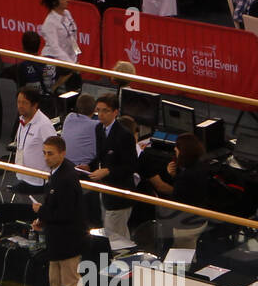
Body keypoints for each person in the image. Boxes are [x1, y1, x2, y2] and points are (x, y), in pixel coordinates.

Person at [34, 135, 93, 286]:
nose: (46, 157)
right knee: (55, 280)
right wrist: (43, 219)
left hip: (68, 240)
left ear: (62, 153)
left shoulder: (66, 178)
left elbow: (65, 214)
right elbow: (57, 209)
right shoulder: (57, 173)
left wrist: (41, 212)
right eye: (44, 153)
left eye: (50, 153)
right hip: (57, 238)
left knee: (70, 284)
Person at [88, 92, 139, 244]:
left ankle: (118, 262)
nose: (100, 114)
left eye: (105, 110)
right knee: (117, 232)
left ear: (115, 112)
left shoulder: (125, 135)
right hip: (105, 191)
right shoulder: (99, 129)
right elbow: (101, 156)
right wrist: (89, 165)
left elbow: (131, 166)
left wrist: (108, 170)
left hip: (119, 194)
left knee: (113, 235)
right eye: (98, 110)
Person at [149, 133, 214, 207]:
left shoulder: (185, 176)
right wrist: (174, 175)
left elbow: (178, 195)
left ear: (183, 151)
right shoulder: (201, 164)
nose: (174, 149)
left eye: (177, 146)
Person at [13, 87, 56, 191]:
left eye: (24, 103)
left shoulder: (44, 125)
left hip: (38, 182)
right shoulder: (22, 119)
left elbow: (55, 151)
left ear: (35, 105)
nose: (20, 106)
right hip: (21, 177)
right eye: (18, 102)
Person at [40, 0, 80, 69]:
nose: (67, 0)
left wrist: (76, 54)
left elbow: (72, 35)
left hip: (70, 61)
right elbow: (55, 48)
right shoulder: (50, 22)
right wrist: (71, 64)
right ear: (55, 3)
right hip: (54, 60)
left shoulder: (67, 13)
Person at [61, 92, 98, 174]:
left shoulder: (69, 117)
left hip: (63, 166)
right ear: (95, 109)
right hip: (81, 171)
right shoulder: (96, 125)